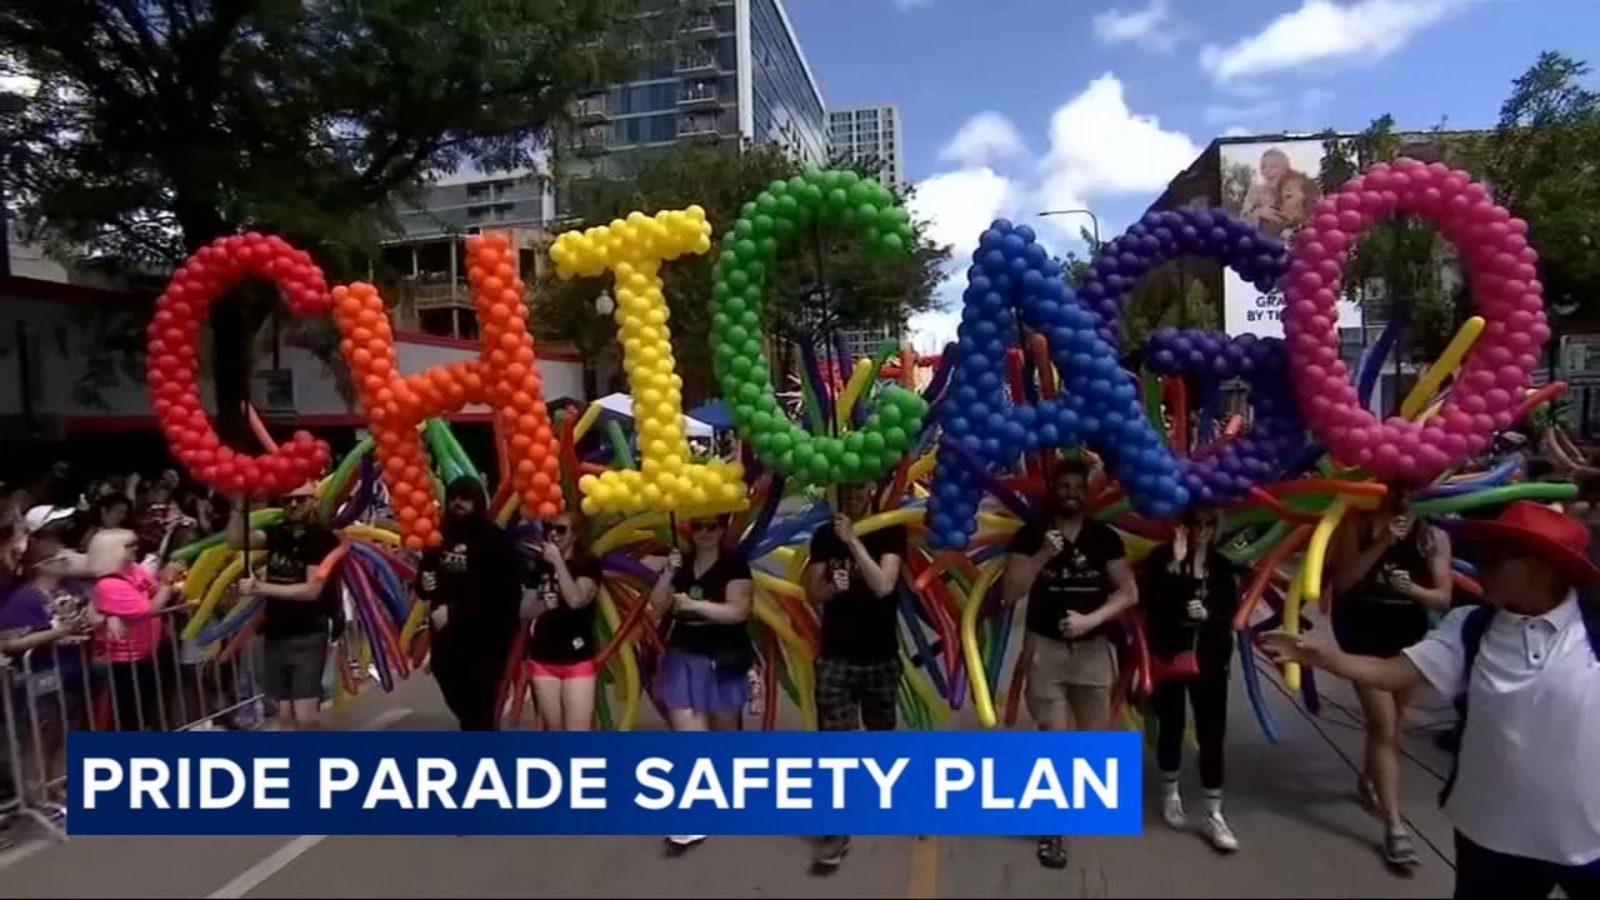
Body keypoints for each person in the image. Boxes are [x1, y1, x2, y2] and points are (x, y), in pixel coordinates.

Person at [1264, 501, 1600, 900]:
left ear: (1538, 570)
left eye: (1492, 560)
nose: (1478, 566)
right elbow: (1396, 673)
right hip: (1490, 839)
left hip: (1588, 842)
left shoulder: (1593, 630)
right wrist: (1327, 658)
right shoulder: (1472, 628)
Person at [1004, 456, 1137, 870]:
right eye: (1064, 487)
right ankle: (1052, 828)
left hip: (1094, 652)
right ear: (1053, 491)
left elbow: (1128, 592)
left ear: (1087, 492)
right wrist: (1043, 554)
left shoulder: (1104, 539)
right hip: (1046, 652)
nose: (1071, 494)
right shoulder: (1031, 535)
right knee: (1055, 740)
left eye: (1078, 487)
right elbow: (1011, 591)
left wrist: (1090, 620)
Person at [1328, 484, 1452, 868]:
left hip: (1409, 636)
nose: (1401, 496)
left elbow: (1443, 597)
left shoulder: (1433, 536)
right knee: (1385, 728)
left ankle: (1369, 781)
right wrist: (1381, 543)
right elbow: (1344, 582)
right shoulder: (1358, 527)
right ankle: (1395, 828)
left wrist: (1412, 588)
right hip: (1363, 631)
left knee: (1393, 726)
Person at [803, 484, 907, 871]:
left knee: (881, 733)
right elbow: (811, 591)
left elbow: (884, 585)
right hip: (836, 656)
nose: (853, 495)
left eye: (860, 487)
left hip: (879, 655)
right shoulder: (825, 535)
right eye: (846, 488)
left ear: (872, 490)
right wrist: (830, 587)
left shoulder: (889, 531)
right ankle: (837, 827)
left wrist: (855, 542)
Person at [650, 514, 753, 857]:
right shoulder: (682, 562)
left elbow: (739, 611)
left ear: (723, 529)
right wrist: (667, 573)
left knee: (725, 740)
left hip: (723, 659)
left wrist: (695, 606)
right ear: (689, 530)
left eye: (712, 526)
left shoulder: (734, 564)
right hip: (684, 657)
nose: (705, 532)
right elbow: (657, 607)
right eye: (698, 526)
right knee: (690, 742)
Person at [1141, 506, 1241, 852]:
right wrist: (1175, 568)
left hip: (1211, 660)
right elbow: (1151, 604)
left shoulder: (1223, 566)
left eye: (1208, 524)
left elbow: (1231, 612)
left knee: (1211, 732)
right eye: (1194, 524)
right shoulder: (1160, 560)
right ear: (1181, 525)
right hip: (1169, 655)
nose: (1201, 530)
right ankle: (1170, 792)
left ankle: (1214, 812)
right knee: (1172, 724)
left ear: (1216, 527)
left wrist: (1208, 614)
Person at [415, 476, 525, 732]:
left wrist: (455, 612)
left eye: (465, 499)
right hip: (446, 639)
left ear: (478, 502)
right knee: (457, 696)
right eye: (454, 498)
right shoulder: (439, 537)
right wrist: (424, 583)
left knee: (478, 709)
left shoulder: (495, 540)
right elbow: (424, 578)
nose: (458, 504)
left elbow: (504, 594)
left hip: (486, 638)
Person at [227, 483, 339, 731]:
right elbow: (236, 541)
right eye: (287, 500)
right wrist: (237, 505)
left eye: (300, 500)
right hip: (277, 631)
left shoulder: (321, 538)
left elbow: (312, 591)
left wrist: (260, 588)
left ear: (313, 501)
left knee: (306, 715)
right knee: (285, 714)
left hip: (309, 631)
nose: (294, 505)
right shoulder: (277, 533)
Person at [1, 538, 94, 808]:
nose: (66, 562)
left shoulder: (71, 589)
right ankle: (37, 794)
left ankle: (60, 784)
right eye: (60, 558)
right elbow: (10, 642)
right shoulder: (23, 598)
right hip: (41, 677)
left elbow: (86, 612)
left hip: (74, 670)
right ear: (43, 566)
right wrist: (59, 633)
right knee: (41, 735)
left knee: (68, 730)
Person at [88, 528, 181, 730]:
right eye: (130, 545)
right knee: (127, 716)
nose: (136, 549)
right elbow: (151, 607)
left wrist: (165, 586)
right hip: (122, 660)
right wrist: (168, 580)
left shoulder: (134, 569)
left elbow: (155, 591)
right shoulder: (109, 584)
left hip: (146, 653)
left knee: (145, 710)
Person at [524, 511, 603, 732]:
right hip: (543, 656)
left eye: (561, 529)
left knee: (577, 731)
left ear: (576, 535)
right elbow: (524, 610)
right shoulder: (541, 565)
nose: (554, 534)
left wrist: (558, 562)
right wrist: (544, 605)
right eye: (551, 528)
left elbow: (577, 599)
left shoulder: (587, 563)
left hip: (577, 657)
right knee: (555, 729)